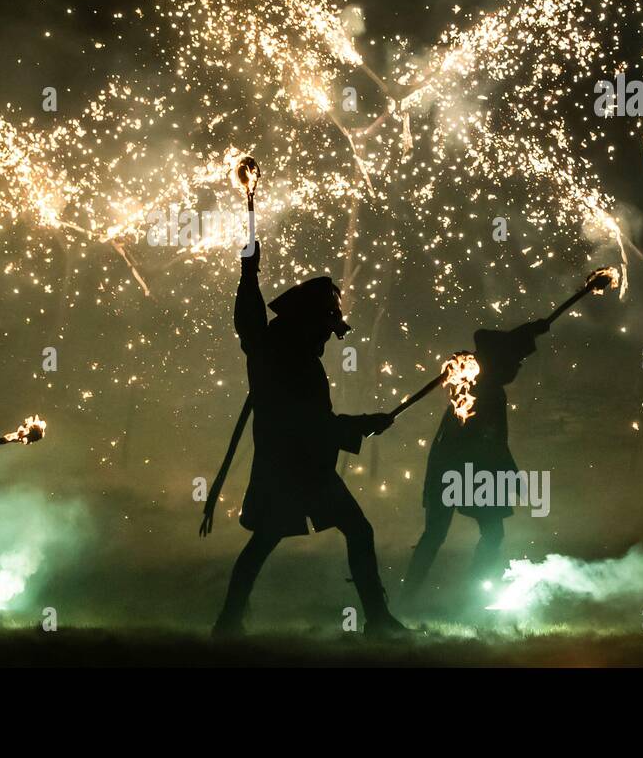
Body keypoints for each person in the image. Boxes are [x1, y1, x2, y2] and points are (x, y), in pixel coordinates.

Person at [211, 241, 407, 638]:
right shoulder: (280, 355)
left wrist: (250, 274)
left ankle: (228, 623)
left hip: (293, 466)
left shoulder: (279, 350)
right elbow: (311, 424)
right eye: (323, 325)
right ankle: (379, 620)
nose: (327, 334)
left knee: (267, 540)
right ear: (308, 321)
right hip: (295, 468)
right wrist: (363, 424)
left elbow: (313, 421)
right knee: (352, 530)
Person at [398, 320, 549, 613]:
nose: (517, 367)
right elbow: (492, 443)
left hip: (458, 470)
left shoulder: (474, 385)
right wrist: (514, 480)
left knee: (438, 535)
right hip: (466, 472)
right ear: (498, 362)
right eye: (514, 361)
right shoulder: (483, 391)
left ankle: (419, 598)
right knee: (478, 534)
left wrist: (532, 330)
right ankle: (466, 598)